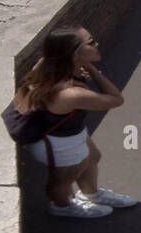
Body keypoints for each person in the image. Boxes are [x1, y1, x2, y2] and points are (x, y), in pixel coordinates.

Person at [8, 24, 132, 219]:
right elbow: (116, 99)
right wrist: (91, 67)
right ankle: (62, 206)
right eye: (91, 43)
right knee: (63, 180)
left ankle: (92, 194)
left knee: (92, 157)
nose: (96, 44)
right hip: (58, 144)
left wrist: (82, 63)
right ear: (74, 54)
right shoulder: (70, 94)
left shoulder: (48, 66)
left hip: (67, 131)